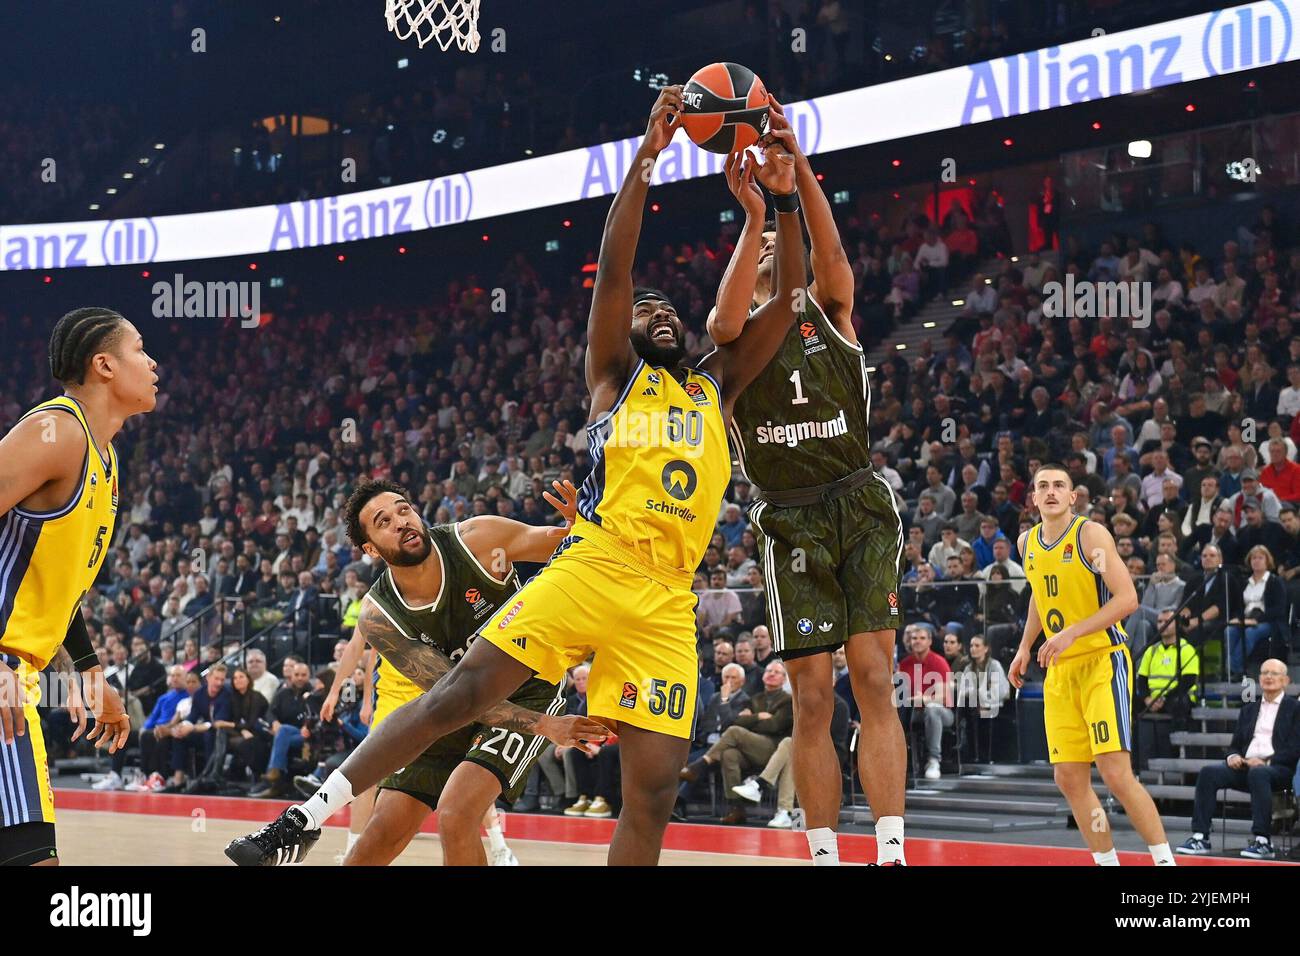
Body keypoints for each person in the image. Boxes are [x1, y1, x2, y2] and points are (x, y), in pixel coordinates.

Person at [706, 96, 908, 866]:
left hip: (856, 502)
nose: (764, 263)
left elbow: (830, 256)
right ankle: (822, 849)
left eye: (769, 257)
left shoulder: (828, 307)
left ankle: (889, 847)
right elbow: (725, 322)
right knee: (813, 695)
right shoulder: (731, 347)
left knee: (875, 675)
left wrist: (799, 176)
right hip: (788, 519)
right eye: (754, 260)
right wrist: (755, 217)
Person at [233, 478, 600, 865]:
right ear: (370, 548)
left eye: (403, 509)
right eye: (384, 520)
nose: (401, 521)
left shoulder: (478, 538)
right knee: (381, 831)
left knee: (456, 814)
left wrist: (585, 527)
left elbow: (576, 548)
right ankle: (304, 822)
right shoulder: (379, 617)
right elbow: (453, 696)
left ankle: (306, 817)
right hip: (456, 703)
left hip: (531, 689)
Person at [0, 308, 150, 865]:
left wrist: (89, 673)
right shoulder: (57, 431)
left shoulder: (105, 460)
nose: (152, 362)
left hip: (24, 675)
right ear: (104, 364)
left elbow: (60, 587)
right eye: (139, 349)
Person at [1009, 464, 1176, 865]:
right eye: (1042, 486)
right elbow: (1039, 593)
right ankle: (1106, 862)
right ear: (1033, 498)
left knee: (1116, 773)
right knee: (1068, 777)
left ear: (1072, 497)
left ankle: (1165, 861)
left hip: (1103, 660)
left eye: (1059, 486)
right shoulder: (1025, 543)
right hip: (1060, 670)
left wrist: (1072, 632)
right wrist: (1024, 646)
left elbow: (1128, 599)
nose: (1050, 492)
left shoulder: (1090, 534)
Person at [1176, 661, 1299, 860]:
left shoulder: (1295, 709)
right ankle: (1200, 837)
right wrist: (1233, 757)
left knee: (1259, 773)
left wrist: (1265, 761)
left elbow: (1295, 748)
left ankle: (1263, 840)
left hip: (1278, 769)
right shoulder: (1249, 709)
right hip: (1245, 766)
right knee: (1209, 773)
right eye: (1264, 672)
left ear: (1285, 680)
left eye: (1274, 673)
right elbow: (1235, 745)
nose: (1268, 677)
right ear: (1259, 678)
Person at [678, 660, 793, 824]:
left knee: (734, 732)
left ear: (784, 679)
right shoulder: (755, 698)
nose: (771, 674)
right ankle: (736, 808)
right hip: (752, 746)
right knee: (728, 754)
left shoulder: (788, 700)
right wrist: (758, 717)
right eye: (768, 671)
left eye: (776, 672)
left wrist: (750, 719)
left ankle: (700, 765)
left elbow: (774, 726)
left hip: (776, 749)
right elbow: (737, 721)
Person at [898, 625, 953, 780]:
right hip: (914, 711)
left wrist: (924, 699)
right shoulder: (905, 663)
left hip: (943, 712)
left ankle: (934, 760)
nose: (917, 641)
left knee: (932, 708)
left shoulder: (939, 662)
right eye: (914, 638)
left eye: (922, 638)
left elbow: (943, 697)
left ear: (929, 641)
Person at [1225, 545, 1288, 680]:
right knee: (1229, 631)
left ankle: (1235, 670)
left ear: (1267, 561)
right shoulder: (1244, 583)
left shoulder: (1275, 581)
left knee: (1251, 632)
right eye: (1254, 558)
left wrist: (1257, 620)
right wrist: (1237, 618)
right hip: (1246, 619)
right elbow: (1237, 606)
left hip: (1268, 621)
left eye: (1260, 558)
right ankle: (1231, 671)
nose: (1256, 561)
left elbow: (1279, 609)